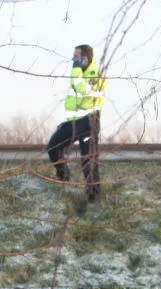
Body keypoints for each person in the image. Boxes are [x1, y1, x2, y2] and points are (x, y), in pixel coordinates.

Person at [47, 44, 106, 203]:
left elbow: (82, 90)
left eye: (77, 57)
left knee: (88, 159)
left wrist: (75, 69)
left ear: (85, 59)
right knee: (53, 146)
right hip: (74, 122)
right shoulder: (80, 72)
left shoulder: (94, 74)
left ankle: (93, 197)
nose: (74, 60)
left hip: (89, 123)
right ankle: (65, 178)